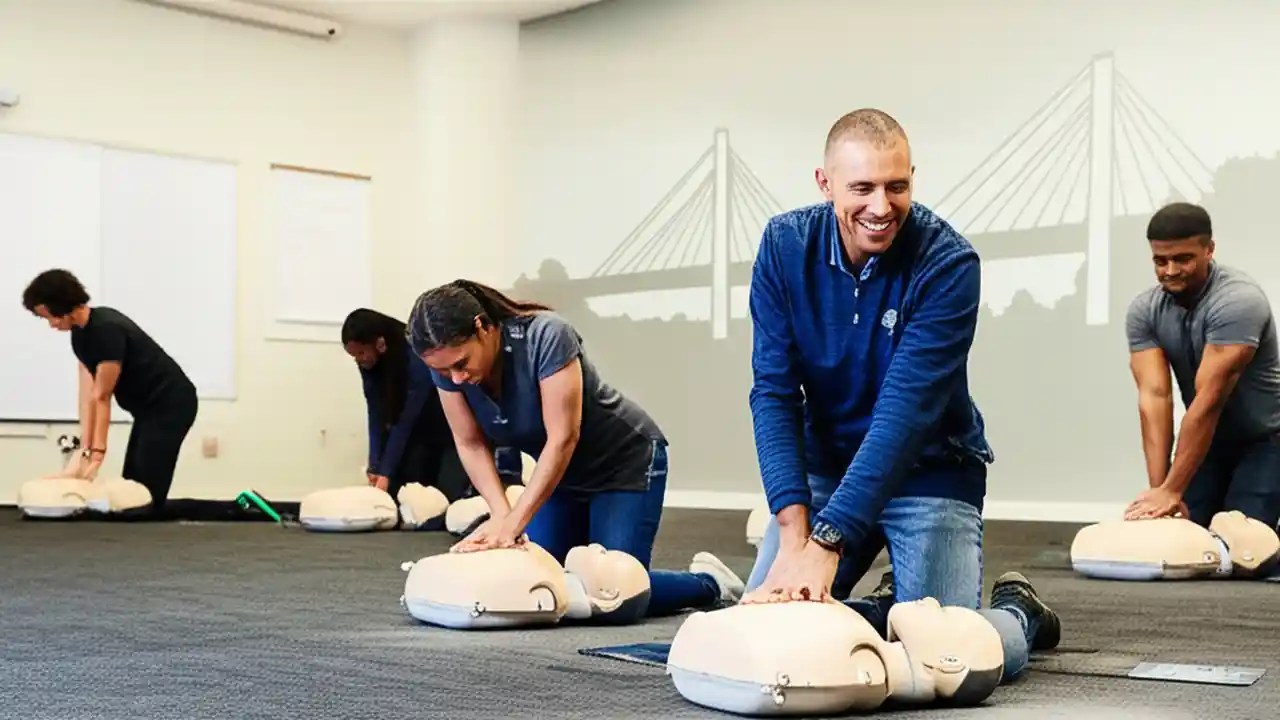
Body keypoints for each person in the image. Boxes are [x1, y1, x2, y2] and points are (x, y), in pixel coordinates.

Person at [740, 108, 1059, 680]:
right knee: (765, 631)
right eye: (861, 187)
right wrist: (795, 534)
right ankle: (890, 605)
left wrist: (829, 539)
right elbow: (774, 392)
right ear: (825, 183)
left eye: (897, 186)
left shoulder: (948, 262)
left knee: (945, 661)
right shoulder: (784, 247)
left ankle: (1019, 613)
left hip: (929, 467)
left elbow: (905, 416)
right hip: (829, 467)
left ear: (913, 176)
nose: (881, 207)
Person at [404, 279, 742, 620]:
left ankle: (711, 583)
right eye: (442, 370)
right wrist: (500, 514)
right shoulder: (450, 373)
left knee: (613, 596)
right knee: (539, 582)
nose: (455, 378)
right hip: (560, 477)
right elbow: (470, 442)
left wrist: (514, 524)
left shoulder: (547, 335)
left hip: (623, 462)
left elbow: (563, 437)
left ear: (482, 328)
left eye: (461, 364)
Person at [1124, 202, 1280, 530]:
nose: (1170, 270)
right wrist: (1160, 491)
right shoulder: (1144, 310)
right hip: (1209, 444)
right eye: (1160, 261)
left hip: (1267, 439)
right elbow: (1154, 399)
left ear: (1209, 250)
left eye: (1183, 258)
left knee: (1241, 546)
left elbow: (1209, 401)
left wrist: (1173, 489)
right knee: (1183, 533)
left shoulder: (1238, 301)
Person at [22, 268, 198, 516]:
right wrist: (83, 449)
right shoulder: (79, 337)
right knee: (133, 490)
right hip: (147, 411)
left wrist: (97, 454)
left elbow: (102, 397)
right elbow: (88, 397)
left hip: (171, 404)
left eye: (50, 316)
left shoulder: (106, 329)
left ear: (62, 305)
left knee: (145, 498)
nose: (51, 324)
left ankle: (239, 511)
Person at [341, 308, 520, 505]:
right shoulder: (368, 365)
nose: (359, 359)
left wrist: (386, 471)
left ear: (380, 344)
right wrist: (374, 465)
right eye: (354, 356)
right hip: (419, 437)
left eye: (361, 353)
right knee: (401, 494)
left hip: (448, 430)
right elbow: (375, 413)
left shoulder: (416, 355)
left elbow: (406, 418)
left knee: (450, 497)